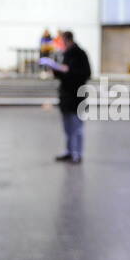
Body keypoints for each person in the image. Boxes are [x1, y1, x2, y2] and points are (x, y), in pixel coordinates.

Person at [51, 30, 90, 164]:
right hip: (66, 97)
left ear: (68, 40)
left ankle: (77, 154)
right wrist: (57, 70)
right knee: (67, 127)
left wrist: (68, 71)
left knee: (77, 127)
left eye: (62, 41)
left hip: (77, 96)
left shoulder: (80, 54)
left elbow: (85, 74)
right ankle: (69, 151)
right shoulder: (66, 54)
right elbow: (64, 74)